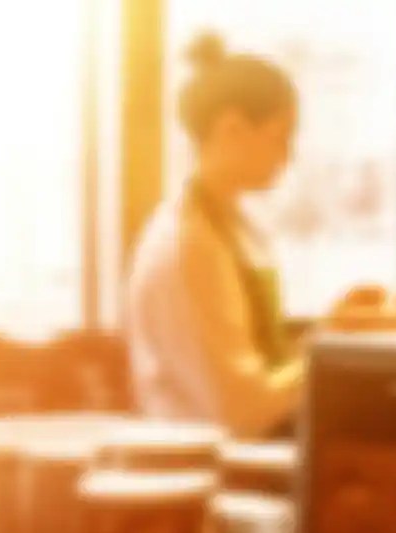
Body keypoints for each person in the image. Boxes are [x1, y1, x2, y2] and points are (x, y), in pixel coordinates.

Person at [127, 33, 303, 438]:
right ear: (232, 129)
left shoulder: (231, 227)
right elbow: (244, 409)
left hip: (238, 445)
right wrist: (329, 357)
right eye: (280, 136)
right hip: (208, 463)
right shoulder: (188, 245)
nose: (288, 155)